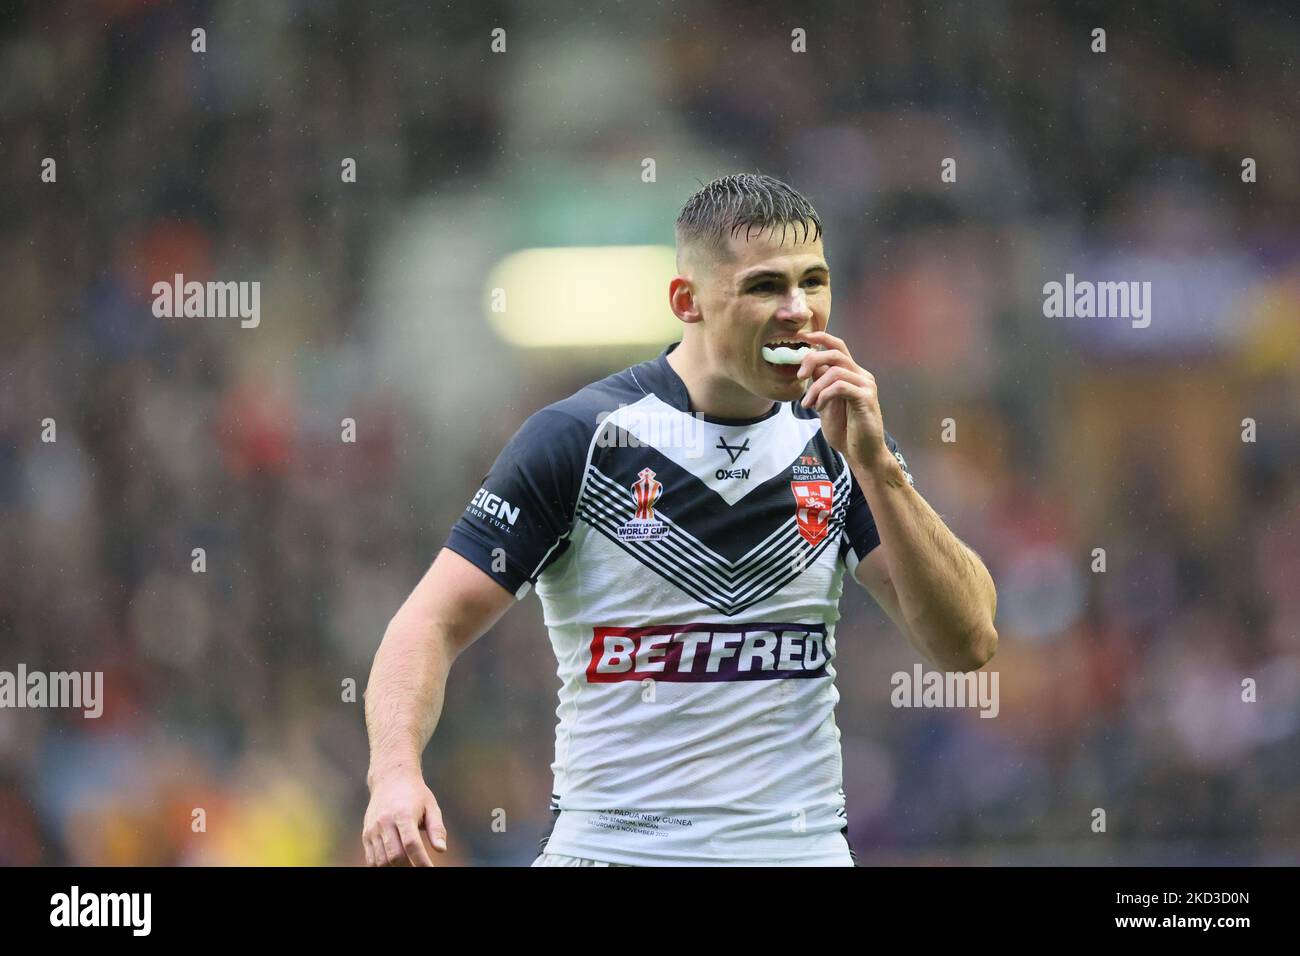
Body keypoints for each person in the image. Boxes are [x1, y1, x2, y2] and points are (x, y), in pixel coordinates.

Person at [362, 173, 998, 867]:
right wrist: (394, 774)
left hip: (797, 852)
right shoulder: (581, 438)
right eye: (764, 287)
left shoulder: (842, 444)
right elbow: (428, 622)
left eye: (813, 282)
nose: (798, 310)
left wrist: (880, 469)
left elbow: (967, 644)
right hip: (616, 853)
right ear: (686, 301)